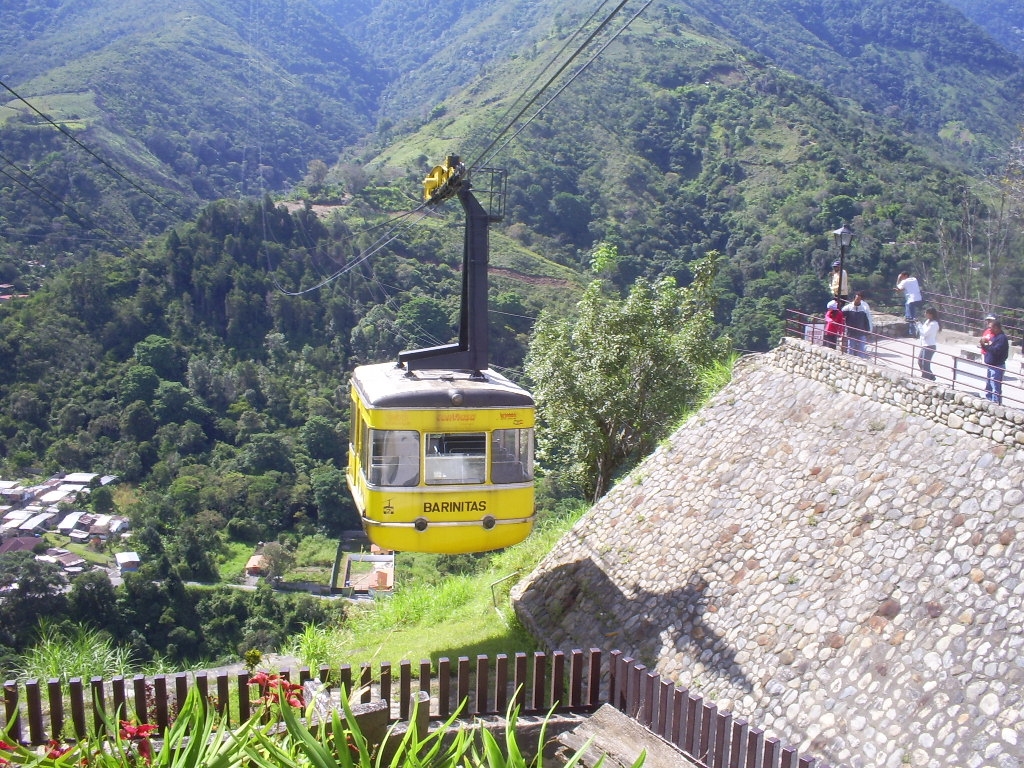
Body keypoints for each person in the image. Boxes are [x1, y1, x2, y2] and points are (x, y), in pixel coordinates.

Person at [980, 315, 1009, 404]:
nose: (990, 330)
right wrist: (984, 344)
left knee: (995, 386)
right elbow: (990, 347)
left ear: (996, 328)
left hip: (997, 366)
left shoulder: (1002, 338)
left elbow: (996, 350)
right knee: (989, 385)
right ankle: (989, 400)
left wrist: (986, 346)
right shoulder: (995, 337)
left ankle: (996, 402)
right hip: (991, 365)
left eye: (991, 328)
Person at [842, 292, 873, 358]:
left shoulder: (864, 309)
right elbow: (842, 317)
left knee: (861, 348)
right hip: (851, 332)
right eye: (856, 298)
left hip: (861, 331)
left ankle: (861, 362)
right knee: (851, 348)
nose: (857, 300)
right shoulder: (847, 308)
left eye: (859, 299)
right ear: (854, 299)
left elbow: (866, 321)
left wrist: (868, 330)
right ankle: (850, 360)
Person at [895, 271, 923, 336]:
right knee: (912, 316)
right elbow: (906, 288)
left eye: (902, 277)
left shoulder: (904, 281)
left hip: (911, 300)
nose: (901, 278)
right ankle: (913, 331)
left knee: (910, 317)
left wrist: (898, 279)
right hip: (918, 298)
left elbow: (898, 287)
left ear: (905, 276)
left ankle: (912, 333)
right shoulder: (914, 279)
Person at [918, 307, 941, 381]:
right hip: (925, 345)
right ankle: (931, 376)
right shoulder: (928, 321)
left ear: (931, 314)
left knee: (925, 364)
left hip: (930, 345)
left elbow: (924, 333)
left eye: (926, 313)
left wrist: (919, 325)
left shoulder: (934, 324)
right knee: (920, 361)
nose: (925, 314)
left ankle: (926, 378)